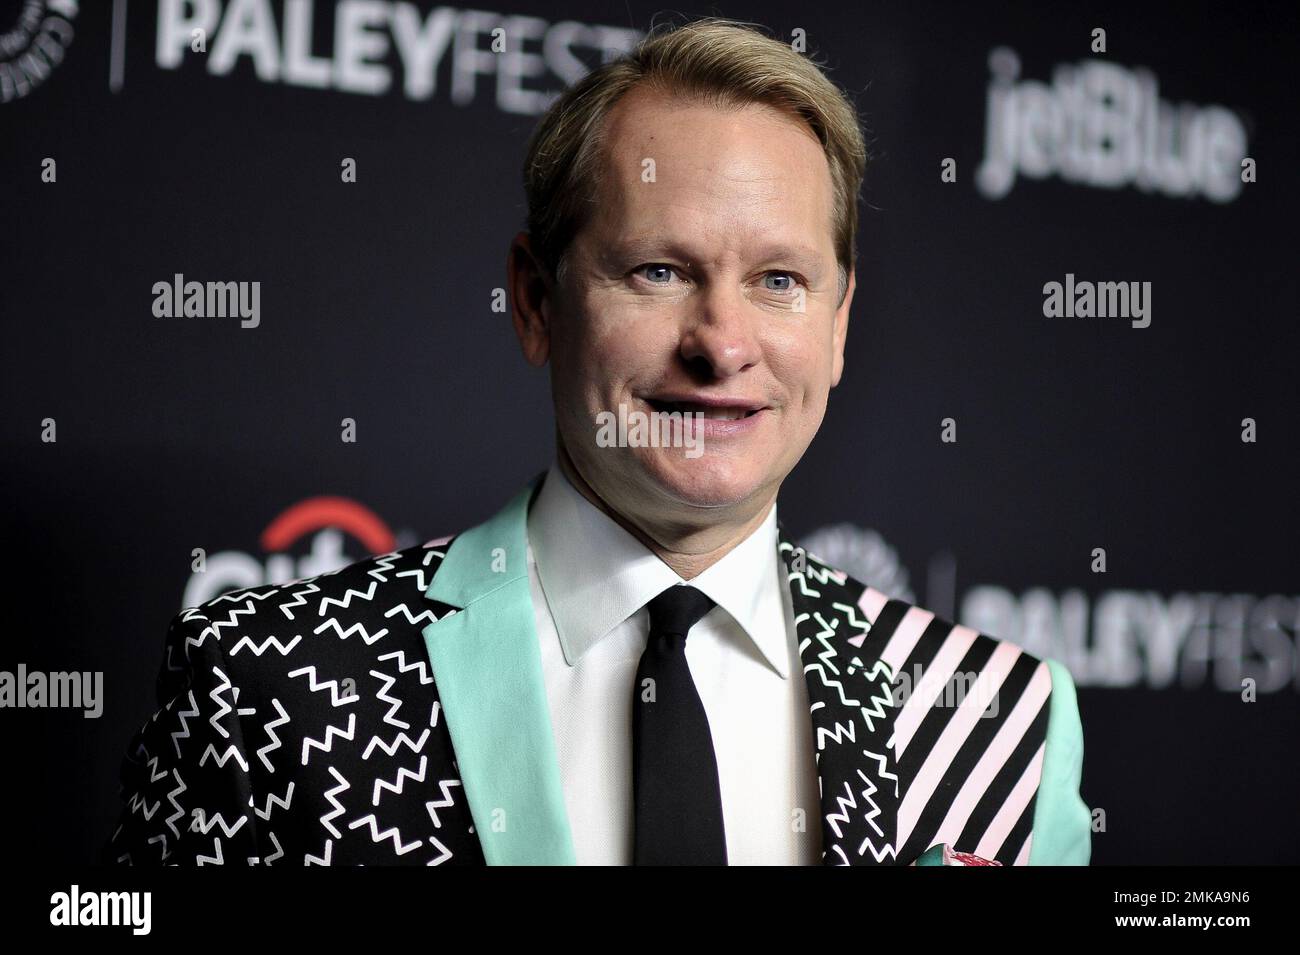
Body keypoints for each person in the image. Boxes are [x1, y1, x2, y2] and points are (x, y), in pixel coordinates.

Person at [101, 17, 1090, 866]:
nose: (722, 343)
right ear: (536, 301)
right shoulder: (270, 681)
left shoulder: (996, 722)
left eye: (778, 281)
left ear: (837, 327)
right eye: (658, 270)